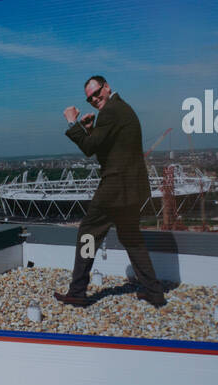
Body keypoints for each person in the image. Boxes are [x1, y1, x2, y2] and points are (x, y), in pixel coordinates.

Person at [53, 75, 166, 308]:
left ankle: (77, 291)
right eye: (90, 98)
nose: (94, 99)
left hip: (115, 188)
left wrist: (72, 123)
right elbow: (105, 149)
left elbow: (89, 148)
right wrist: (90, 129)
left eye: (97, 93)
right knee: (131, 238)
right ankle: (154, 292)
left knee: (87, 233)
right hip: (131, 189)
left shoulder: (111, 111)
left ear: (107, 87)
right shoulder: (121, 108)